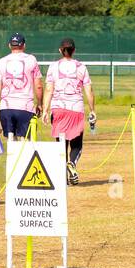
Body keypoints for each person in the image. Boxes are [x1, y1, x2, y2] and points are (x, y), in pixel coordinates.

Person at [42, 38, 94, 185]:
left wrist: (45, 110)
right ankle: (71, 163)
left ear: (60, 50)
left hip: (58, 109)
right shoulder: (81, 67)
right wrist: (92, 110)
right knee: (77, 144)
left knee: (61, 144)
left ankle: (62, 179)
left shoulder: (53, 67)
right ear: (74, 50)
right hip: (76, 109)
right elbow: (89, 90)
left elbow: (48, 89)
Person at [0, 32, 41, 142]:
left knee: (11, 141)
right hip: (25, 107)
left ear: (9, 45)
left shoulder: (1, 62)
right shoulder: (31, 59)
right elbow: (38, 85)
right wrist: (39, 103)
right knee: (26, 142)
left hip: (6, 107)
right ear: (24, 45)